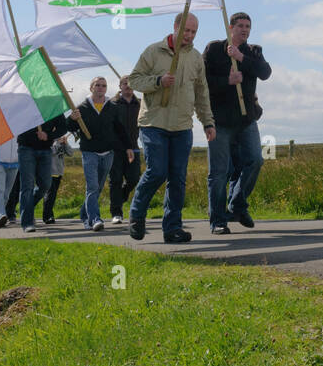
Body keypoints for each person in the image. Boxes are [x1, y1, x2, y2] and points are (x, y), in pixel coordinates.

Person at [128, 13, 217, 243]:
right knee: (157, 171)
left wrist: (207, 122)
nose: (189, 36)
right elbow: (134, 80)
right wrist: (158, 81)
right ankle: (137, 215)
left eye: (193, 32)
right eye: (186, 30)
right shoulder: (153, 51)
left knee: (177, 178)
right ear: (175, 27)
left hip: (182, 125)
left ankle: (172, 228)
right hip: (153, 123)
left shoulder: (196, 58)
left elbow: (201, 93)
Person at [204, 12, 271, 234]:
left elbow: (265, 73)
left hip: (246, 120)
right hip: (220, 121)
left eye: (248, 26)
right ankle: (218, 221)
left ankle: (237, 203)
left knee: (255, 160)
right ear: (230, 27)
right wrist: (227, 81)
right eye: (240, 26)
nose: (245, 30)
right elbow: (202, 82)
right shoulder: (214, 49)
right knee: (219, 172)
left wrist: (242, 58)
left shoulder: (253, 51)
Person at [67, 76, 134, 232]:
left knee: (97, 187)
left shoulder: (112, 106)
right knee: (92, 186)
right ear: (91, 87)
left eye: (103, 85)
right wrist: (72, 119)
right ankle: (95, 219)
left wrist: (128, 147)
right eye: (97, 85)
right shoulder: (82, 107)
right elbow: (68, 127)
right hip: (89, 152)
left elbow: (120, 129)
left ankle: (84, 214)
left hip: (108, 152)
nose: (101, 88)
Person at [17, 112, 67, 234]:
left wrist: (48, 135)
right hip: (26, 148)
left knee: (46, 185)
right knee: (27, 185)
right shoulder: (26, 103)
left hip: (45, 149)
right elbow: (15, 121)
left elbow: (63, 127)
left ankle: (27, 207)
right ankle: (27, 222)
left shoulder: (51, 105)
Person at [108, 76, 142, 224]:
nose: (128, 86)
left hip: (134, 147)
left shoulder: (140, 104)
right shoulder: (112, 104)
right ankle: (116, 212)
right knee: (115, 180)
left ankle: (120, 197)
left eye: (130, 83)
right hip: (115, 149)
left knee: (134, 178)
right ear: (120, 86)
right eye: (124, 83)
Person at [41, 134, 72, 224]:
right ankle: (47, 216)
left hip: (59, 172)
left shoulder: (61, 141)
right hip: (50, 172)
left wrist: (66, 143)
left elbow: (70, 153)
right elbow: (51, 152)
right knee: (50, 194)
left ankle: (50, 215)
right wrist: (58, 143)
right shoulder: (50, 140)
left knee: (53, 195)